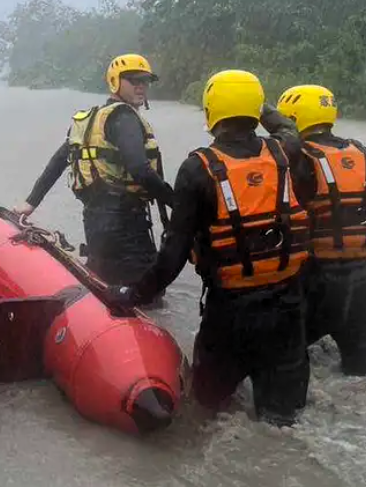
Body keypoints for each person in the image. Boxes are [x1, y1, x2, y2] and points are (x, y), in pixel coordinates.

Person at [110, 70, 313, 427]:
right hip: (288, 315)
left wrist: (132, 294)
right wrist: (260, 104)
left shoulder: (196, 169)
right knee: (282, 422)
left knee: (206, 414)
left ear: (210, 111)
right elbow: (288, 129)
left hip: (228, 317)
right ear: (254, 110)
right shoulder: (284, 152)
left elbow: (172, 258)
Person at [277, 84, 366, 376]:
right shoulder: (365, 155)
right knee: (362, 378)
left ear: (293, 118)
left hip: (314, 282)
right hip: (362, 283)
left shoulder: (297, 161)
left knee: (290, 369)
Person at [14, 53, 174, 291]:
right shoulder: (124, 118)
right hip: (126, 225)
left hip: (95, 221)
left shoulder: (89, 120)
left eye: (145, 81)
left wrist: (30, 203)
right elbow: (140, 169)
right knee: (148, 296)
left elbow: (59, 161)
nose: (141, 86)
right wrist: (177, 202)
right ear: (115, 82)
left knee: (104, 283)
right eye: (133, 80)